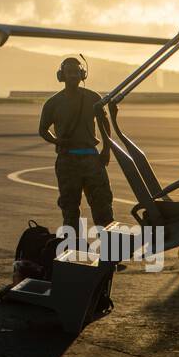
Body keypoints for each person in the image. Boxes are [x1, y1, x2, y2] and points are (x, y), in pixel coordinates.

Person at [38, 56, 115, 235]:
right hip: (67, 161)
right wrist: (57, 141)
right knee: (70, 209)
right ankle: (73, 251)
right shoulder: (53, 103)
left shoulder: (93, 98)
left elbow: (105, 125)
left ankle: (109, 251)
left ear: (82, 75)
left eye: (76, 72)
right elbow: (42, 130)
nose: (73, 76)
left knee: (102, 206)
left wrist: (106, 149)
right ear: (61, 76)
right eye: (69, 72)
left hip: (92, 159)